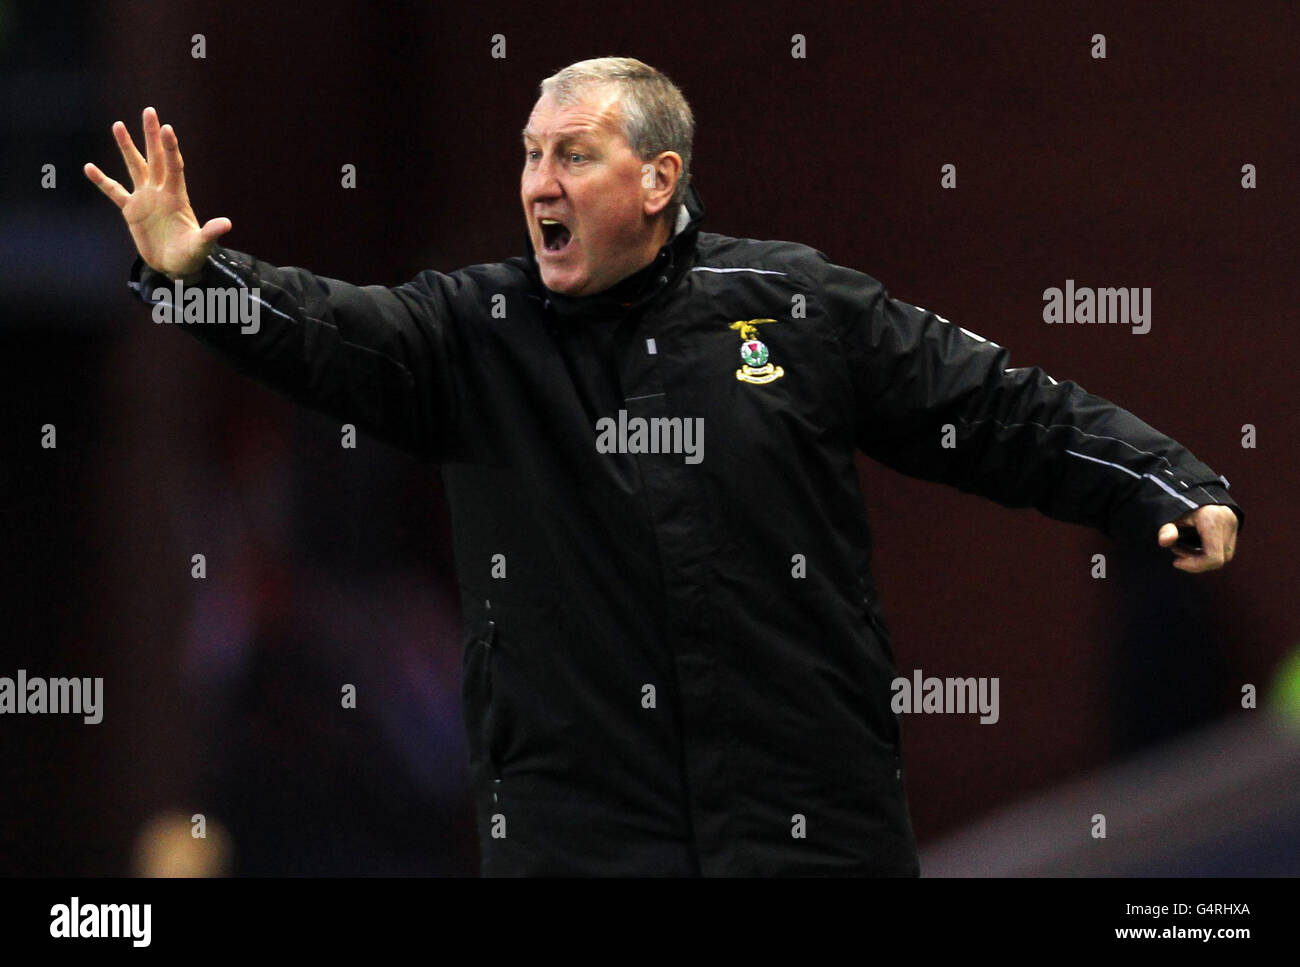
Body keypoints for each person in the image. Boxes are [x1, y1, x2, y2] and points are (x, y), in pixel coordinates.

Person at [85, 57, 1242, 876]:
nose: (538, 181)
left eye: (573, 156)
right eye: (531, 156)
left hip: (809, 829)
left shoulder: (794, 306)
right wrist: (197, 280)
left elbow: (993, 409)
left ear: (657, 179)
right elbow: (331, 332)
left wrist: (1158, 479)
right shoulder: (473, 333)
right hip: (580, 839)